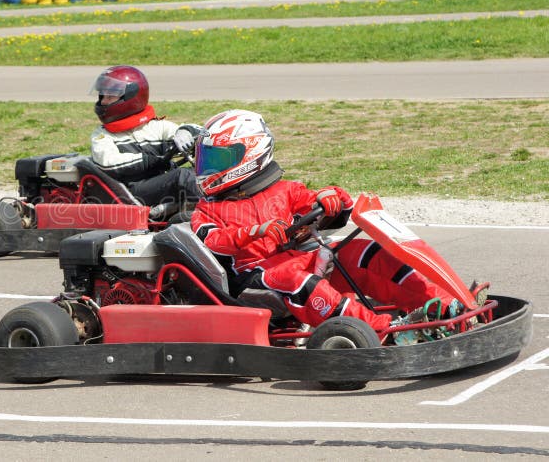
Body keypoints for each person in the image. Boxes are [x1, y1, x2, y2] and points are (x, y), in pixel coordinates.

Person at [189, 109, 460, 335]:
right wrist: (256, 231)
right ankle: (382, 330)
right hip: (254, 277)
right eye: (207, 160)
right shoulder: (207, 209)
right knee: (297, 279)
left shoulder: (285, 190)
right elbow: (213, 243)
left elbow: (315, 202)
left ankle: (443, 305)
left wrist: (331, 197)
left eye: (219, 159)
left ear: (250, 153)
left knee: (364, 252)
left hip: (298, 257)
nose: (208, 169)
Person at [89, 65, 202, 218]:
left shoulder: (156, 127)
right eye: (102, 97)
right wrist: (152, 161)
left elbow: (202, 132)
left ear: (130, 98)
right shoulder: (102, 134)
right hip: (131, 192)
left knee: (202, 174)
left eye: (109, 97)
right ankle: (216, 216)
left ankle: (233, 210)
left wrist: (186, 131)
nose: (103, 102)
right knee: (183, 176)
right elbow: (109, 163)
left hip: (160, 184)